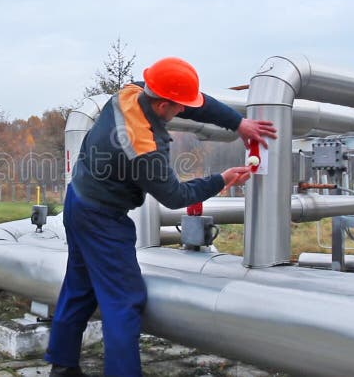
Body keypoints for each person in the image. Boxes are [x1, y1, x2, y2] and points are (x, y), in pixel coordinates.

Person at [45, 57, 277, 377]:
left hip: (78, 200)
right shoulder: (141, 145)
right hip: (102, 218)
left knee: (80, 285)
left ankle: (62, 365)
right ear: (162, 103)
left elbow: (196, 103)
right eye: (178, 107)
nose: (183, 111)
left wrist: (238, 124)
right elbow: (175, 196)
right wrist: (221, 180)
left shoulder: (130, 93)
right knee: (124, 302)